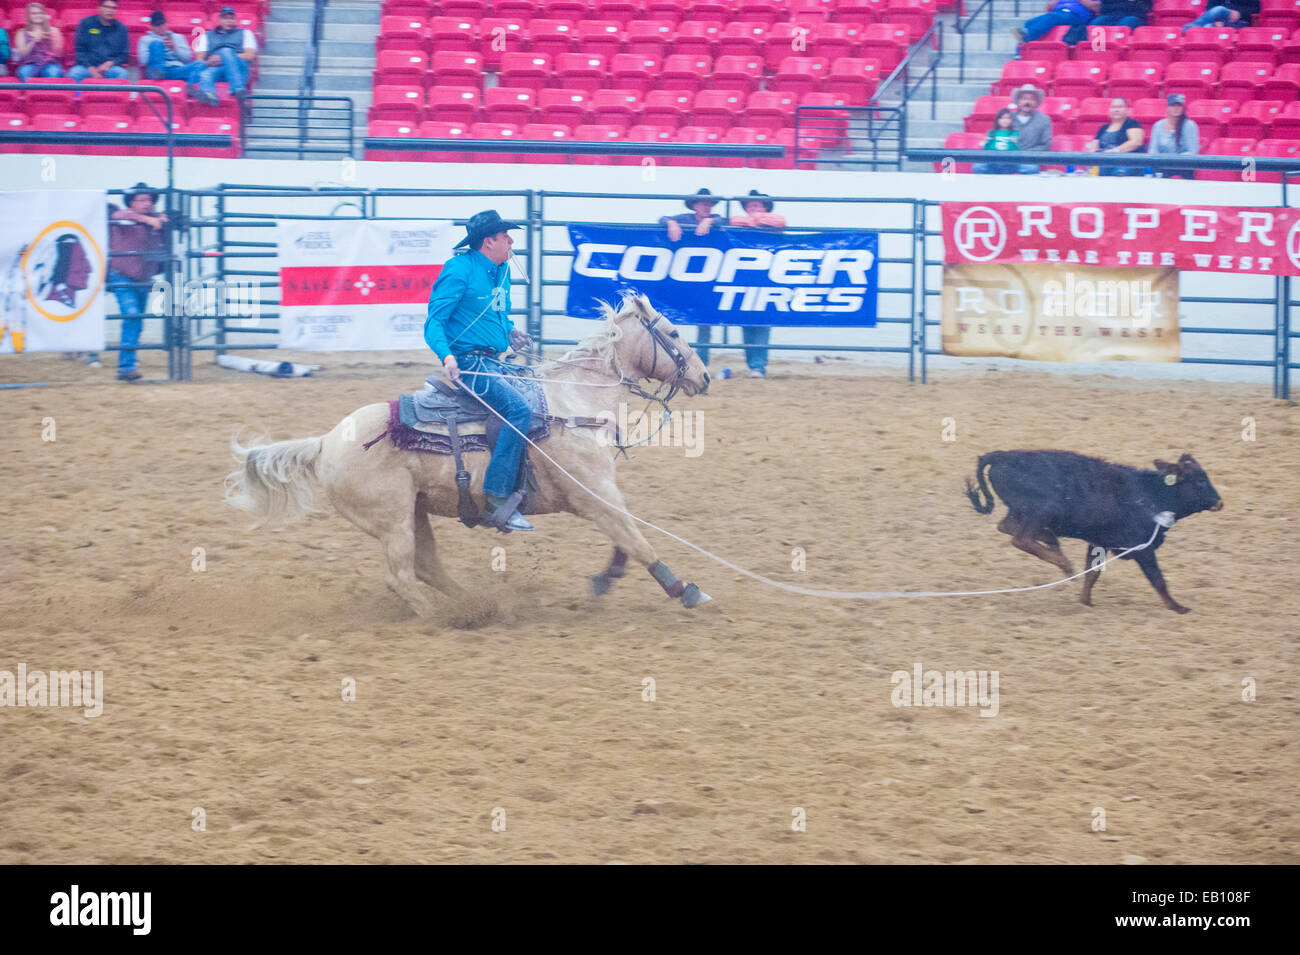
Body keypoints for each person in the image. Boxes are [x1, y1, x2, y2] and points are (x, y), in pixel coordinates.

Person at [424, 210, 535, 532]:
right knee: (518, 409)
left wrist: (511, 331)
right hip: (470, 363)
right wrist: (447, 358)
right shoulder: (459, 269)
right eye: (505, 236)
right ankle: (497, 499)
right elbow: (435, 321)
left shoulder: (502, 272)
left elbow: (498, 314)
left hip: (494, 360)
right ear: (489, 241)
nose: (511, 241)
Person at [107, 183, 169, 382]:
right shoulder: (124, 217)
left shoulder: (156, 222)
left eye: (149, 200)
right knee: (132, 314)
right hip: (121, 275)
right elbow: (117, 215)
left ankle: (127, 365)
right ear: (131, 203)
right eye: (142, 200)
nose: (147, 203)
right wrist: (149, 220)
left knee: (136, 320)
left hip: (143, 278)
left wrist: (163, 223)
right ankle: (125, 367)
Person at [659, 188, 726, 366]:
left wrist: (710, 221)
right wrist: (671, 223)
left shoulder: (715, 219)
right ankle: (667, 357)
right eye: (704, 203)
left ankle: (702, 361)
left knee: (704, 319)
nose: (707, 206)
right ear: (695, 205)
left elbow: (722, 220)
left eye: (710, 203)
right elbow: (662, 219)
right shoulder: (684, 219)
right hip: (682, 277)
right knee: (667, 318)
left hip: (705, 278)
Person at [728, 189, 786, 379]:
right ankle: (753, 364)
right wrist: (755, 220)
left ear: (765, 206)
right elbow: (734, 221)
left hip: (767, 278)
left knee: (762, 322)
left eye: (757, 204)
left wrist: (754, 220)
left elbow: (780, 222)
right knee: (747, 322)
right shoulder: (741, 222)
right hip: (746, 277)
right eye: (750, 205)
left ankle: (758, 366)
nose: (753, 207)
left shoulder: (772, 221)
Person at [193, 5, 258, 106]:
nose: (228, 21)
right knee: (206, 73)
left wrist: (226, 58)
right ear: (219, 20)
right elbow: (199, 59)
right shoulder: (207, 35)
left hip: (240, 70)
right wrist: (208, 63)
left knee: (226, 51)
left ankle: (237, 89)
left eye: (231, 18)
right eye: (225, 18)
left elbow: (250, 55)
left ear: (235, 20)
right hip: (220, 70)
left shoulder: (245, 33)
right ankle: (209, 95)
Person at [138, 11, 202, 89]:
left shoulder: (178, 37)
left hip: (175, 70)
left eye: (163, 24)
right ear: (151, 27)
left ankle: (189, 89)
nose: (161, 27)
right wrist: (160, 48)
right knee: (156, 44)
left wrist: (174, 48)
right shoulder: (145, 39)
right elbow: (143, 60)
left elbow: (187, 58)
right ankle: (160, 74)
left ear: (166, 24)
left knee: (199, 64)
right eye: (157, 25)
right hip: (156, 70)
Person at [69, 0, 128, 82]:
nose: (110, 10)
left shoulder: (121, 28)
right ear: (99, 8)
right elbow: (80, 51)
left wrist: (109, 64)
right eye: (107, 7)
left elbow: (124, 55)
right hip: (88, 67)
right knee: (74, 73)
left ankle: (114, 95)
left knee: (122, 73)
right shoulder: (86, 24)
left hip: (110, 68)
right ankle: (78, 95)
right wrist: (91, 68)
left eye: (114, 8)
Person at [1085, 97, 1145, 175]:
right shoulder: (1103, 128)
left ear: (1127, 110)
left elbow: (1136, 142)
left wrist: (1113, 152)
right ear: (1109, 110)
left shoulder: (1132, 123)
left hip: (1126, 164)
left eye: (1120, 107)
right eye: (1113, 107)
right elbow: (1093, 148)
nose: (1116, 110)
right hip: (1104, 163)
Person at [1148, 93, 1199, 179]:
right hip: (1162, 168)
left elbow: (1193, 152)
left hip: (1183, 168)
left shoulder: (1190, 125)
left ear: (1183, 108)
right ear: (1167, 107)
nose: (1175, 108)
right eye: (1172, 105)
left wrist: (1172, 159)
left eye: (1178, 105)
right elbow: (1153, 150)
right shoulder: (1158, 125)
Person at [1005, 84, 1053, 174]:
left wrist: (1025, 153)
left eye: (1031, 99)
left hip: (1029, 161)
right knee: (979, 167)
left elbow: (1046, 145)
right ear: (1018, 101)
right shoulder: (1007, 118)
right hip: (1008, 159)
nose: (1027, 102)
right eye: (1023, 98)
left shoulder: (1044, 120)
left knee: (1031, 169)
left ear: (1036, 102)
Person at [12, 3, 66, 82]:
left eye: (40, 13)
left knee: (54, 73)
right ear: (29, 16)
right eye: (34, 13)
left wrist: (53, 39)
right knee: (24, 72)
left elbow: (59, 53)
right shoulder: (21, 32)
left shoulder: (54, 30)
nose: (37, 15)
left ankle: (50, 94)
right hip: (30, 64)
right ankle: (30, 94)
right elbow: (22, 55)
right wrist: (34, 40)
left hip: (50, 64)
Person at [1011, 0, 1099, 44]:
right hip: (1060, 13)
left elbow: (1097, 7)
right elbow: (1049, 7)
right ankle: (1019, 53)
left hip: (1076, 15)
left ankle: (1028, 38)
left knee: (1053, 17)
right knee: (1029, 23)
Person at [972, 108, 1021, 174]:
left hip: (1009, 162)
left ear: (1012, 120)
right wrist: (985, 143)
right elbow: (987, 149)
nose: (1005, 120)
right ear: (998, 120)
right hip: (993, 161)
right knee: (977, 166)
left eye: (1008, 118)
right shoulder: (991, 132)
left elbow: (1016, 150)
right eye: (1002, 118)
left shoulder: (1015, 133)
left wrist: (1016, 143)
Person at [1182, 0, 1259, 30]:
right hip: (1220, 20)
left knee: (1219, 9)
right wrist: (1217, 21)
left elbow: (1256, 9)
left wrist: (1240, 14)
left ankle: (1189, 29)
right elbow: (1210, 8)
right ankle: (1191, 29)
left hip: (1241, 21)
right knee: (1208, 26)